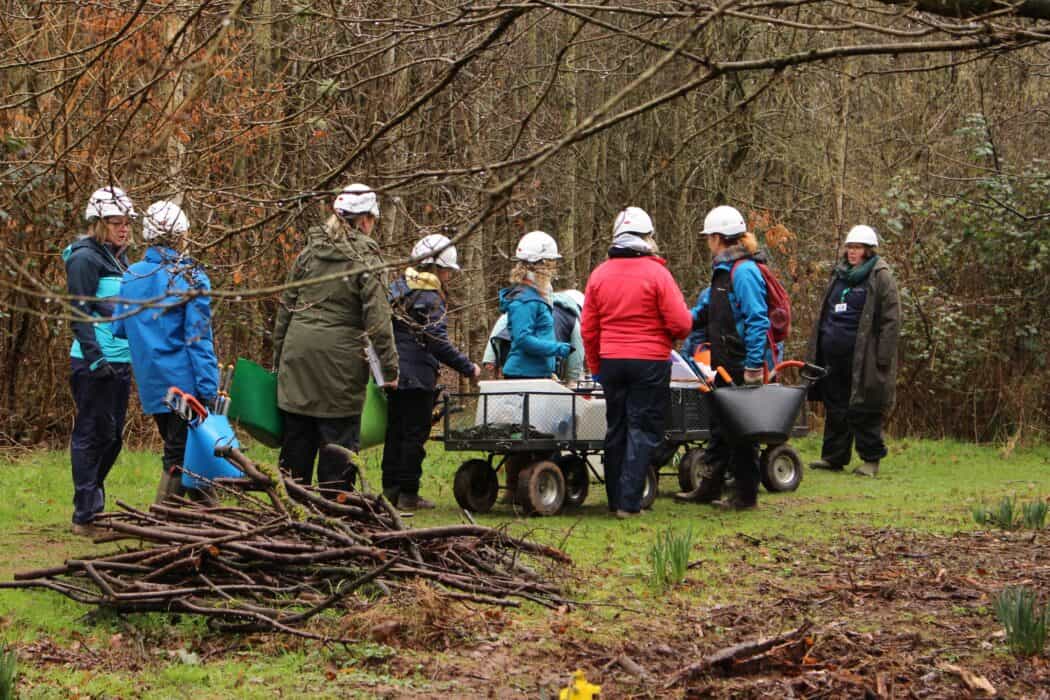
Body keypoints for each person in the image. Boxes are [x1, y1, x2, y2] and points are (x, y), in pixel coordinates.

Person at [273, 183, 399, 492]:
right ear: (366, 220)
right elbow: (378, 321)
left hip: (298, 358)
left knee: (296, 446)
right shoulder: (367, 259)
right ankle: (335, 520)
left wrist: (279, 361)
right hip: (340, 365)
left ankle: (289, 518)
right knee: (338, 447)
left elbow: (286, 310)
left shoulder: (307, 254)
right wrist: (391, 370)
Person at [581, 207, 692, 518]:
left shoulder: (599, 274)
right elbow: (681, 323)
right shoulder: (657, 274)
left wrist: (596, 366)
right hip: (650, 362)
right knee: (642, 429)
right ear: (647, 238)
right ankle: (630, 503)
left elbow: (588, 328)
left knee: (616, 428)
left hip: (612, 361)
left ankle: (615, 498)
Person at [112, 200, 220, 503]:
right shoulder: (191, 276)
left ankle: (208, 521)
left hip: (152, 383)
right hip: (185, 384)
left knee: (188, 449)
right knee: (180, 452)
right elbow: (198, 340)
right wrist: (209, 388)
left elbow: (119, 329)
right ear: (182, 234)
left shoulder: (132, 276)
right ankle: (162, 522)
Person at [675, 205, 769, 510]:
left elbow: (757, 319)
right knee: (719, 427)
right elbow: (704, 312)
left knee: (742, 432)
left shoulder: (745, 272)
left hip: (741, 364)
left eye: (709, 238)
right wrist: (676, 325)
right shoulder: (722, 273)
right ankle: (710, 486)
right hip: (722, 363)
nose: (707, 243)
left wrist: (754, 365)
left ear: (719, 238)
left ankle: (745, 495)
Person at [382, 234, 480, 509]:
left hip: (393, 372)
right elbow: (437, 341)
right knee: (414, 436)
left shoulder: (398, 288)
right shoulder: (429, 296)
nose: (448, 276)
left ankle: (390, 490)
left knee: (395, 433)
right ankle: (408, 493)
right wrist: (467, 366)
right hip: (418, 377)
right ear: (436, 267)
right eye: (447, 270)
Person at [63, 186, 135, 536]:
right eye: (115, 222)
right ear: (98, 222)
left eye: (127, 223)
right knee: (91, 436)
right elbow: (78, 313)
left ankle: (94, 505)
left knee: (113, 438)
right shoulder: (84, 258)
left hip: (121, 362)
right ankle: (85, 516)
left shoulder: (118, 257)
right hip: (93, 364)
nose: (123, 229)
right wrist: (95, 360)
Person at [806, 225, 900, 477]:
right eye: (849, 247)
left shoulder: (881, 277)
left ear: (869, 251)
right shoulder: (839, 274)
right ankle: (834, 457)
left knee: (864, 407)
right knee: (835, 406)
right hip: (833, 356)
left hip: (865, 359)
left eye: (857, 248)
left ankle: (871, 460)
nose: (852, 252)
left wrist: (883, 357)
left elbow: (892, 320)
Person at [497, 231, 571, 379]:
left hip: (535, 374)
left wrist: (548, 370)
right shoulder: (525, 301)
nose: (553, 271)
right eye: (551, 265)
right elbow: (523, 339)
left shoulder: (535, 295)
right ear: (541, 266)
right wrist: (557, 348)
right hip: (522, 375)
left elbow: (540, 335)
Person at [482, 289, 586, 381]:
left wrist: (490, 357)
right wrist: (572, 379)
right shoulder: (573, 319)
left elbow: (504, 320)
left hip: (510, 351)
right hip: (541, 359)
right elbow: (576, 354)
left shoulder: (535, 301)